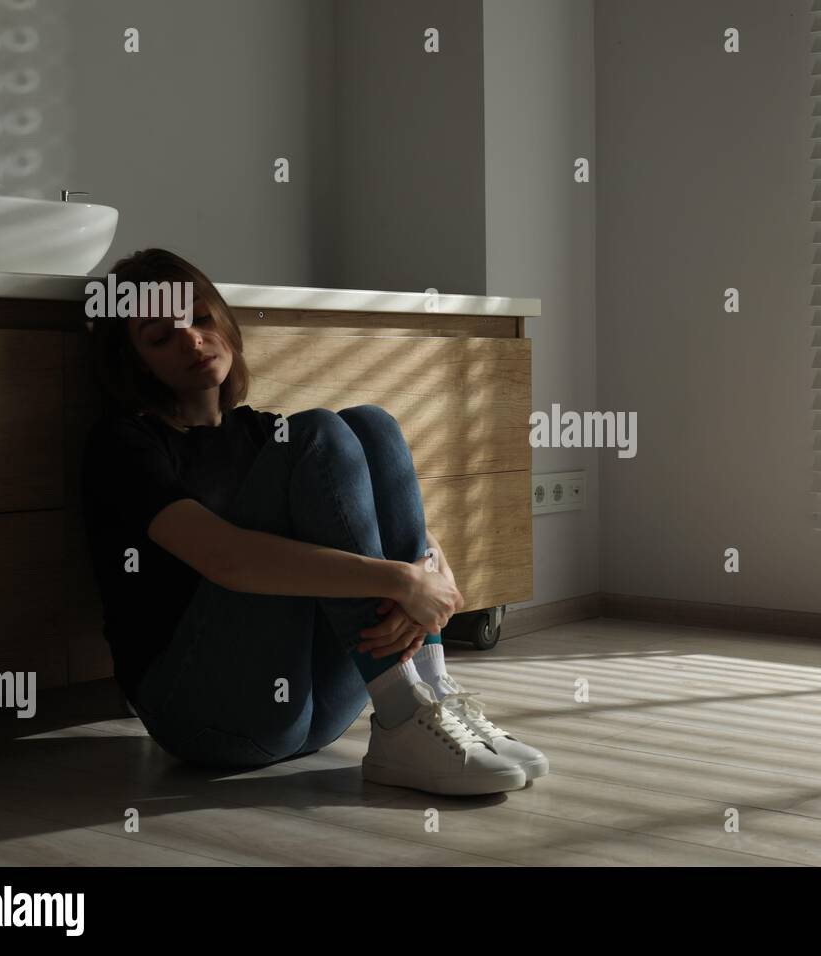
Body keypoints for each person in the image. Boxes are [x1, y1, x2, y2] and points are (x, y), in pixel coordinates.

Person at [80, 248, 548, 796]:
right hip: (208, 719)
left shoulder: (260, 434)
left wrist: (429, 577)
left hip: (314, 711)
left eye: (201, 319)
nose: (192, 340)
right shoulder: (125, 445)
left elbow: (386, 524)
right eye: (161, 336)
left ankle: (428, 698)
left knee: (370, 425)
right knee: (320, 434)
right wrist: (400, 582)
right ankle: (403, 710)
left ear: (224, 322)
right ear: (137, 361)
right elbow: (226, 559)